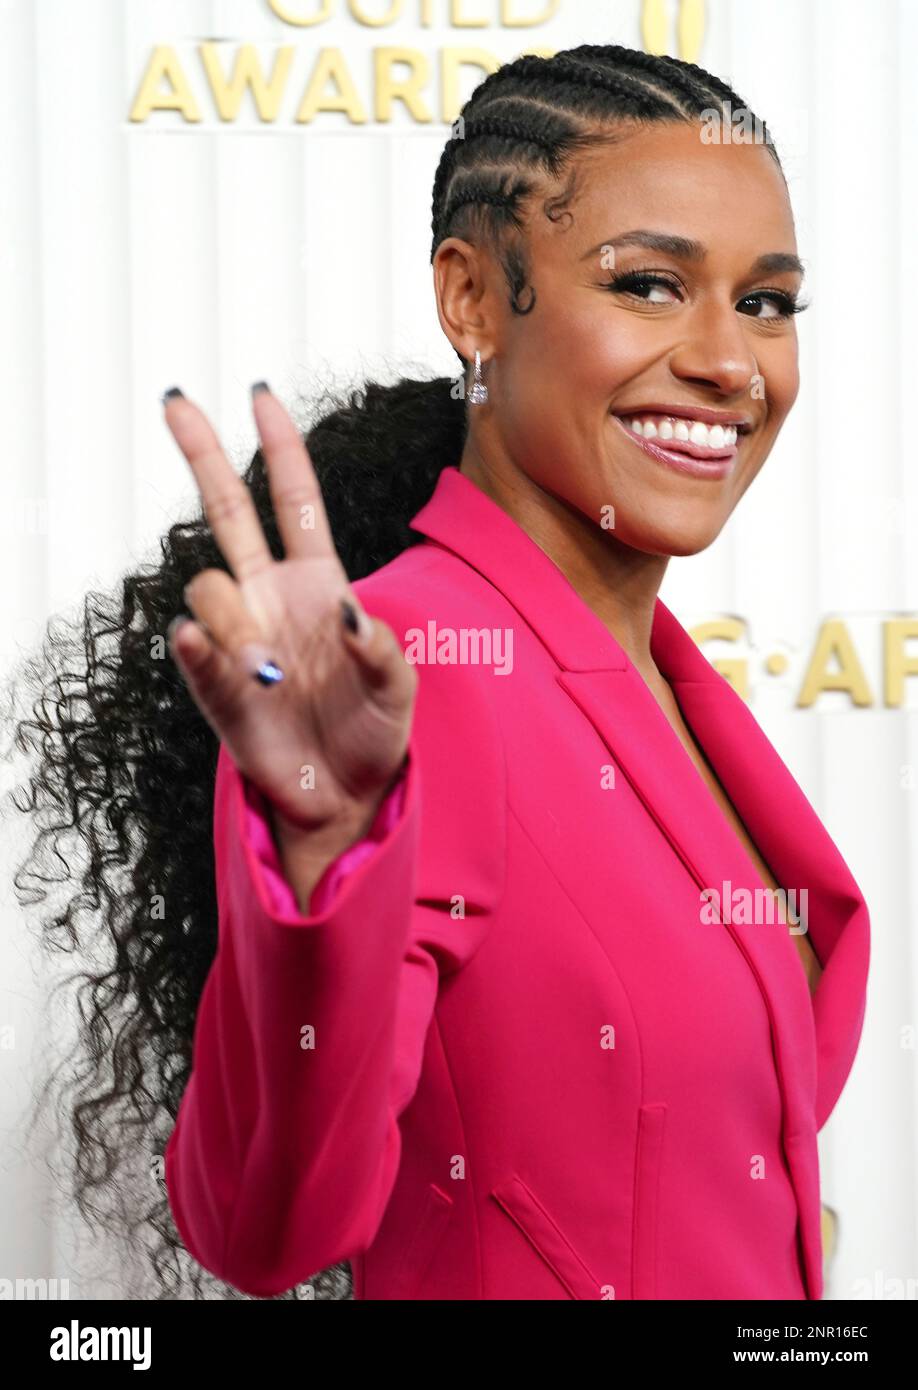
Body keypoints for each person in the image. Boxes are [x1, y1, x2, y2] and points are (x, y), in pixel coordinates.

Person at [9, 43, 869, 1302]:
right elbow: (267, 1222)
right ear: (473, 302)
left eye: (767, 302)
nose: (730, 361)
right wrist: (317, 864)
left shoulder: (678, 701)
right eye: (648, 285)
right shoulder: (416, 674)